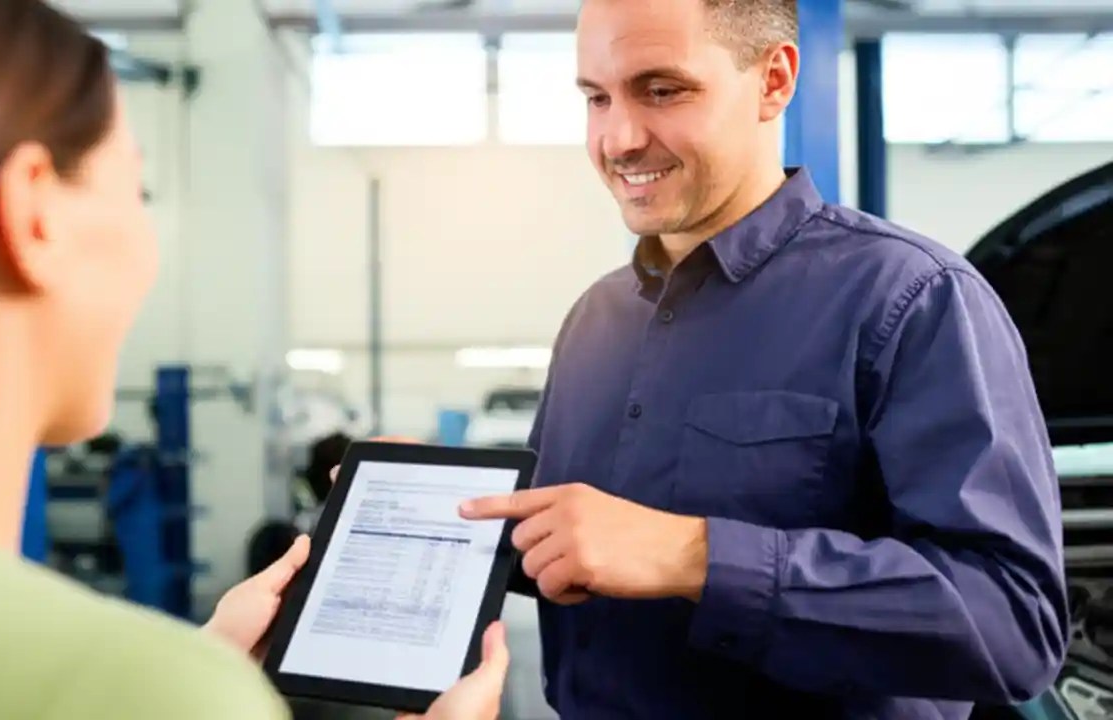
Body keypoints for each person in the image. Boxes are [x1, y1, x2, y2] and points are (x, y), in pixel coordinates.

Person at [0, 2, 508, 719]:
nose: (146, 252)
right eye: (136, 191)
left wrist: (199, 661)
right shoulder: (149, 692)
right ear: (35, 215)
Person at [452, 0, 1069, 718]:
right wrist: (447, 511)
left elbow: (1013, 622)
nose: (617, 138)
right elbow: (576, 551)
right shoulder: (597, 318)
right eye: (596, 97)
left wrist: (695, 556)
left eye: (662, 90)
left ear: (773, 81)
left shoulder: (911, 300)